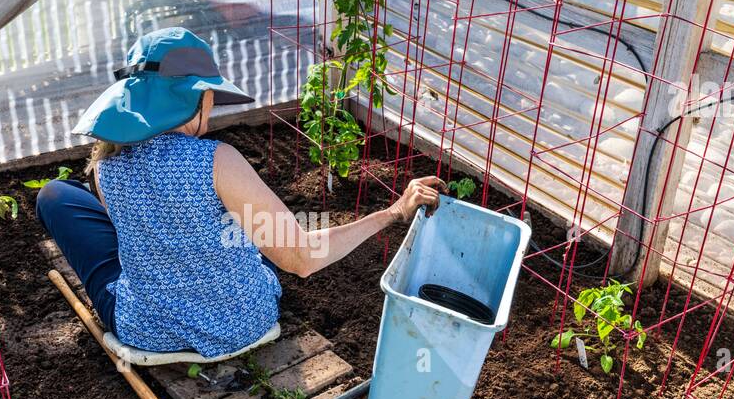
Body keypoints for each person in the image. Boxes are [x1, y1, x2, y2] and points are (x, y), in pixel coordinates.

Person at [36, 27, 445, 357]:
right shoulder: (218, 161)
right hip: (244, 321)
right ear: (197, 98)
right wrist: (392, 213)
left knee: (56, 196)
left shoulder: (106, 163)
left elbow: (124, 230)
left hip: (149, 330)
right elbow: (300, 258)